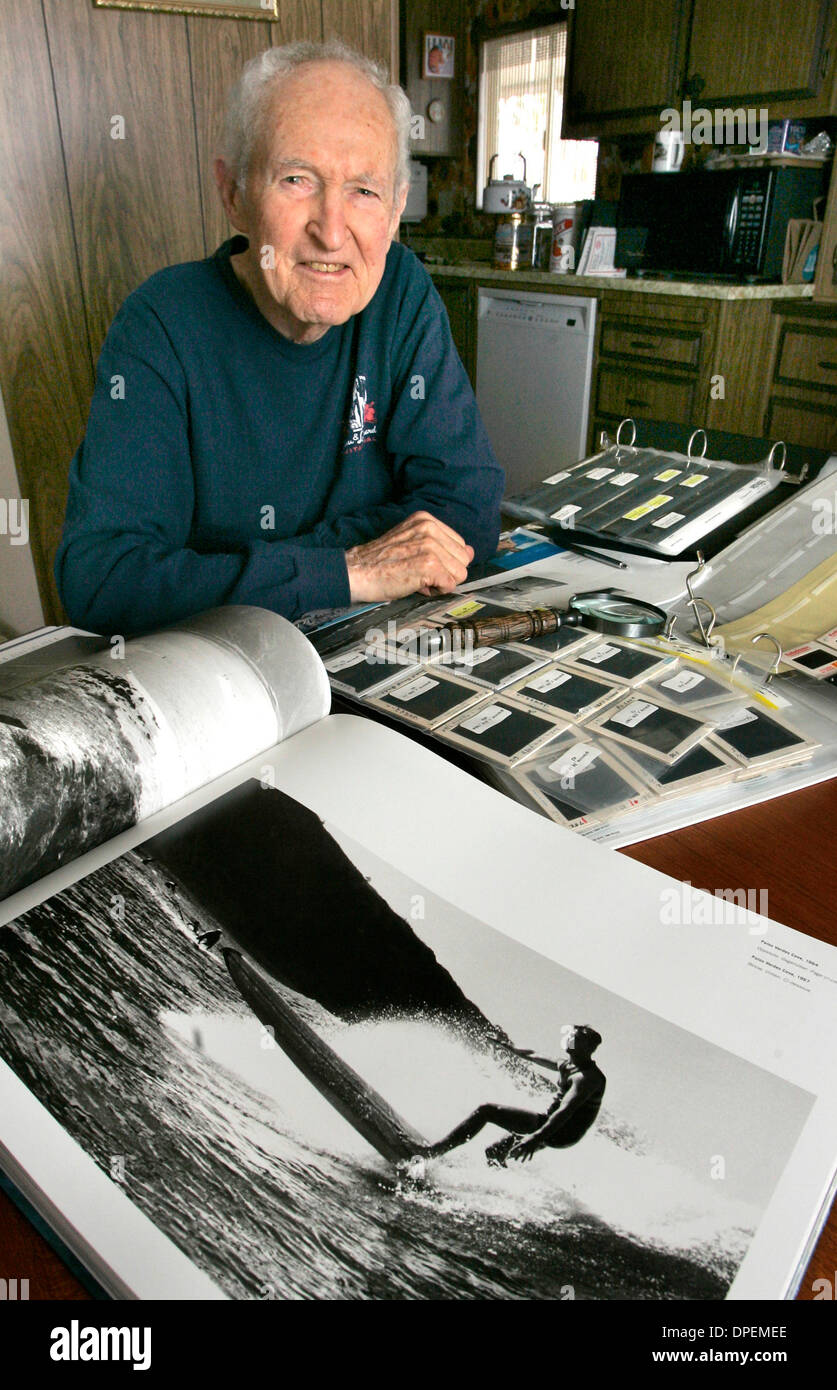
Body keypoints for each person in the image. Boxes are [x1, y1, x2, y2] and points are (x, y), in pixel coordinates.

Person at [55, 41, 504, 637]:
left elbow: (468, 510)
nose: (332, 231)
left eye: (364, 191)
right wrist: (347, 569)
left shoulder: (401, 292)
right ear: (234, 194)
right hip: (223, 674)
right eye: (297, 179)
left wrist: (255, 569)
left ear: (396, 209)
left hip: (373, 649)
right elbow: (104, 581)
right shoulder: (159, 324)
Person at [424, 1024, 606, 1166]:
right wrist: (507, 1047)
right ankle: (503, 1194)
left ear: (589, 1048)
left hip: (562, 1131)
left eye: (577, 1038)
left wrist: (535, 1138)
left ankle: (433, 1152)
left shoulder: (587, 1078)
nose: (570, 1039)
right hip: (550, 1125)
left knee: (486, 1111)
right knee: (494, 1152)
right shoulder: (567, 1065)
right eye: (571, 1035)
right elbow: (533, 1055)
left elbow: (566, 1111)